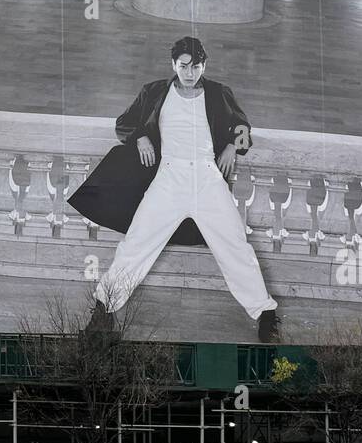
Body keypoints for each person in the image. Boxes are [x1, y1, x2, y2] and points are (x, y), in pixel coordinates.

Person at [71, 35, 280, 343]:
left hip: (208, 178)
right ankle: (104, 309)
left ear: (204, 66)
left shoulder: (219, 93)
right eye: (183, 66)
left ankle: (266, 314)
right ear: (173, 64)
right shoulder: (155, 92)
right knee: (137, 243)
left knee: (235, 245)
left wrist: (232, 148)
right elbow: (124, 123)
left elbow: (244, 131)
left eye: (196, 66)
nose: (190, 72)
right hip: (169, 178)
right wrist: (141, 136)